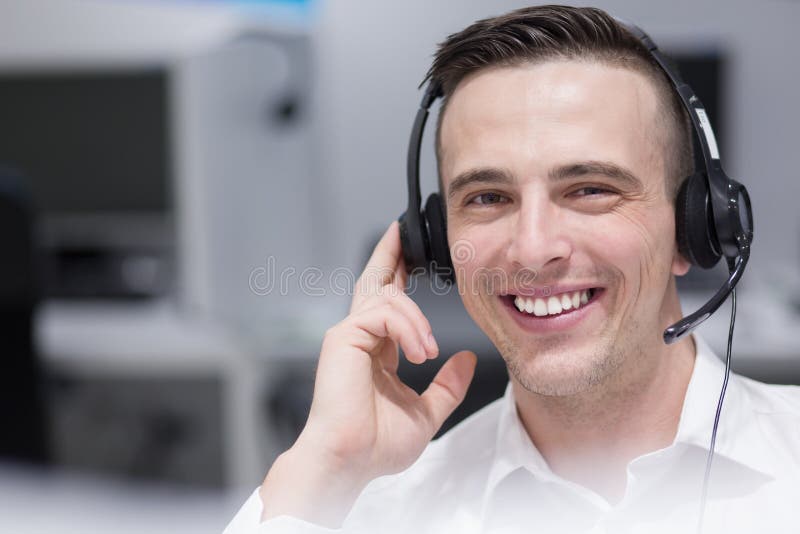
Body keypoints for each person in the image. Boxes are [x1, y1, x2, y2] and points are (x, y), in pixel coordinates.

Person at [224, 6, 800, 533]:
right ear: (437, 243)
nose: (532, 248)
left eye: (591, 189)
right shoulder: (374, 510)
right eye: (488, 198)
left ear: (692, 228)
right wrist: (324, 467)